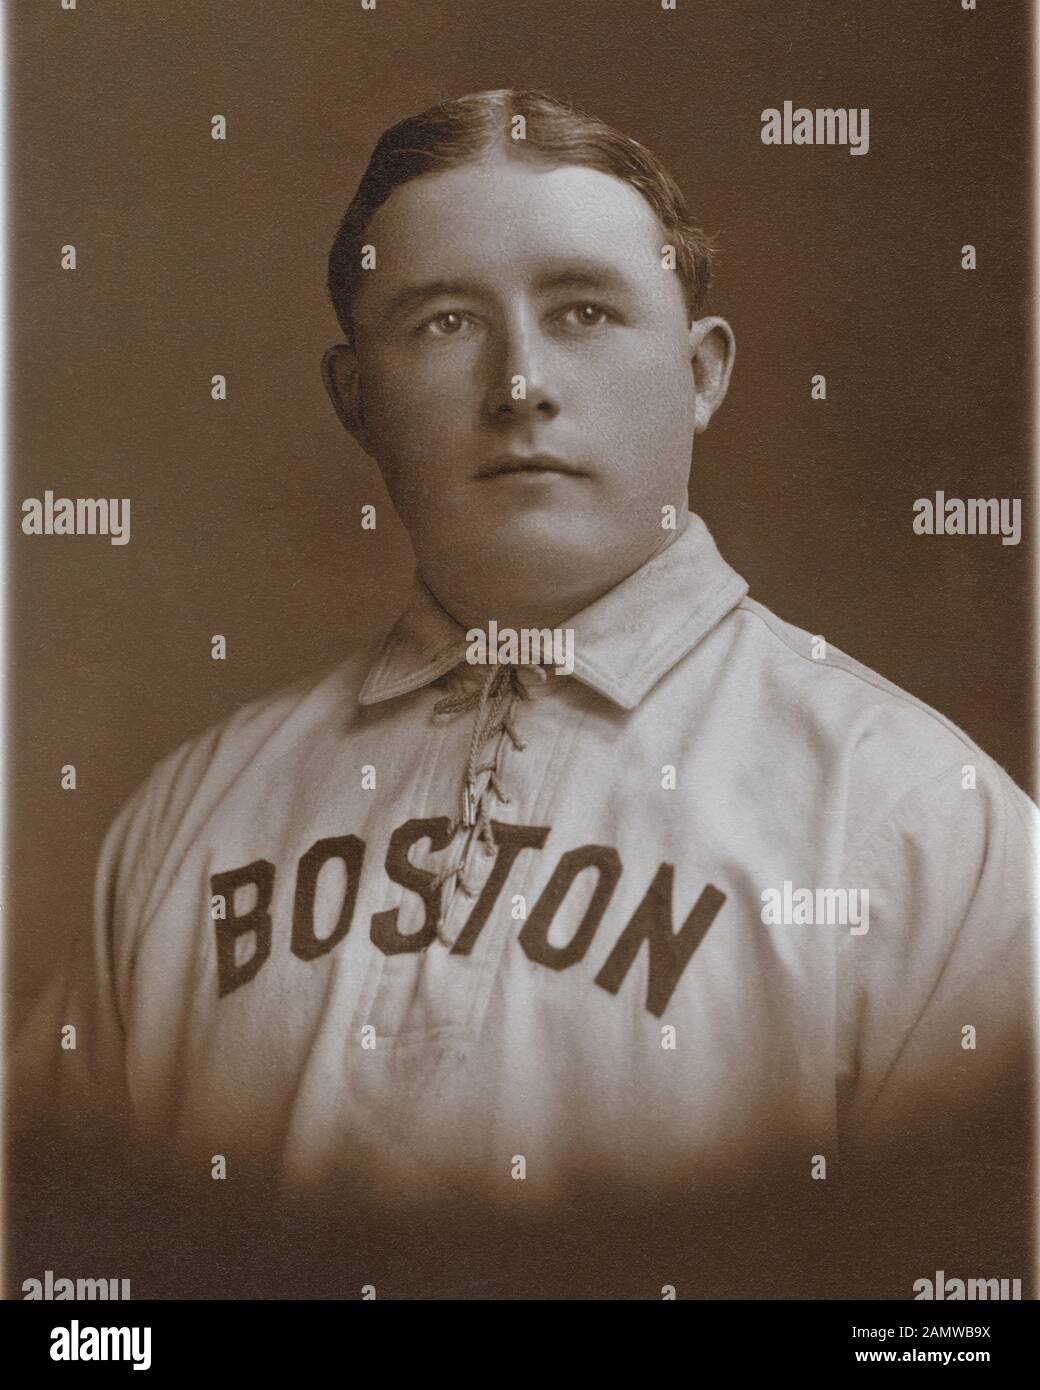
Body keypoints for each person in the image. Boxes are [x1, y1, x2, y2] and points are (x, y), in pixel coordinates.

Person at [21, 88, 1036, 1296]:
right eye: (444, 322)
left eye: (584, 311)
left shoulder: (923, 822)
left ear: (700, 373)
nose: (519, 386)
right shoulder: (191, 817)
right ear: (355, 399)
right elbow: (59, 1289)